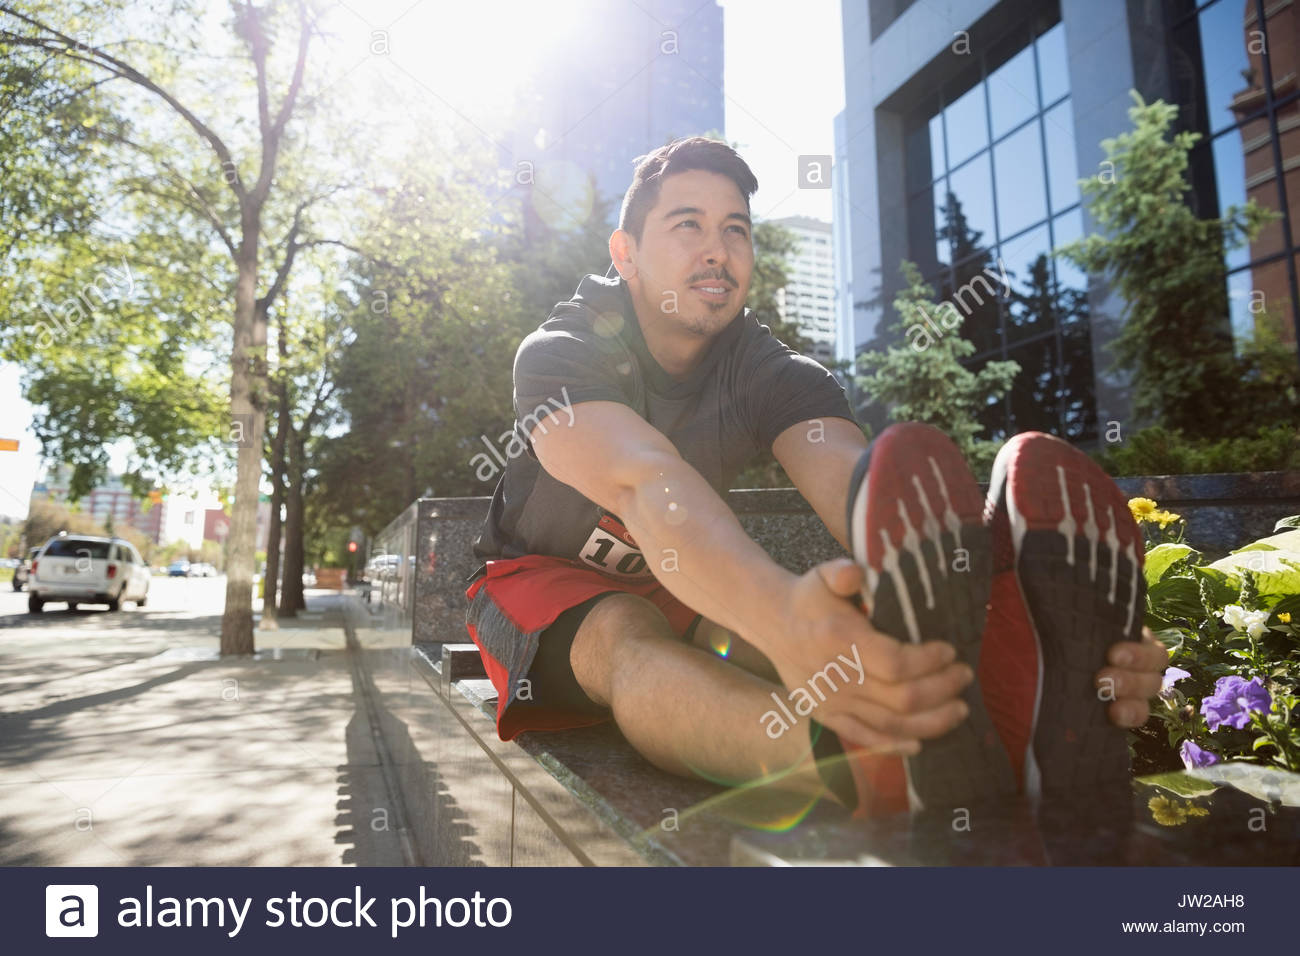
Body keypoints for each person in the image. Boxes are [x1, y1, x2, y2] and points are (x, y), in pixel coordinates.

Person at [465, 136, 1168, 817]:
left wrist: (1003, 607)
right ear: (627, 255)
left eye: (736, 229)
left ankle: (980, 711)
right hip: (533, 578)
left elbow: (866, 495)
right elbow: (642, 482)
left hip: (681, 576)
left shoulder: (777, 372)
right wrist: (785, 617)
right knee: (628, 630)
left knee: (814, 638)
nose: (718, 249)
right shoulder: (561, 352)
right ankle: (867, 764)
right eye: (688, 225)